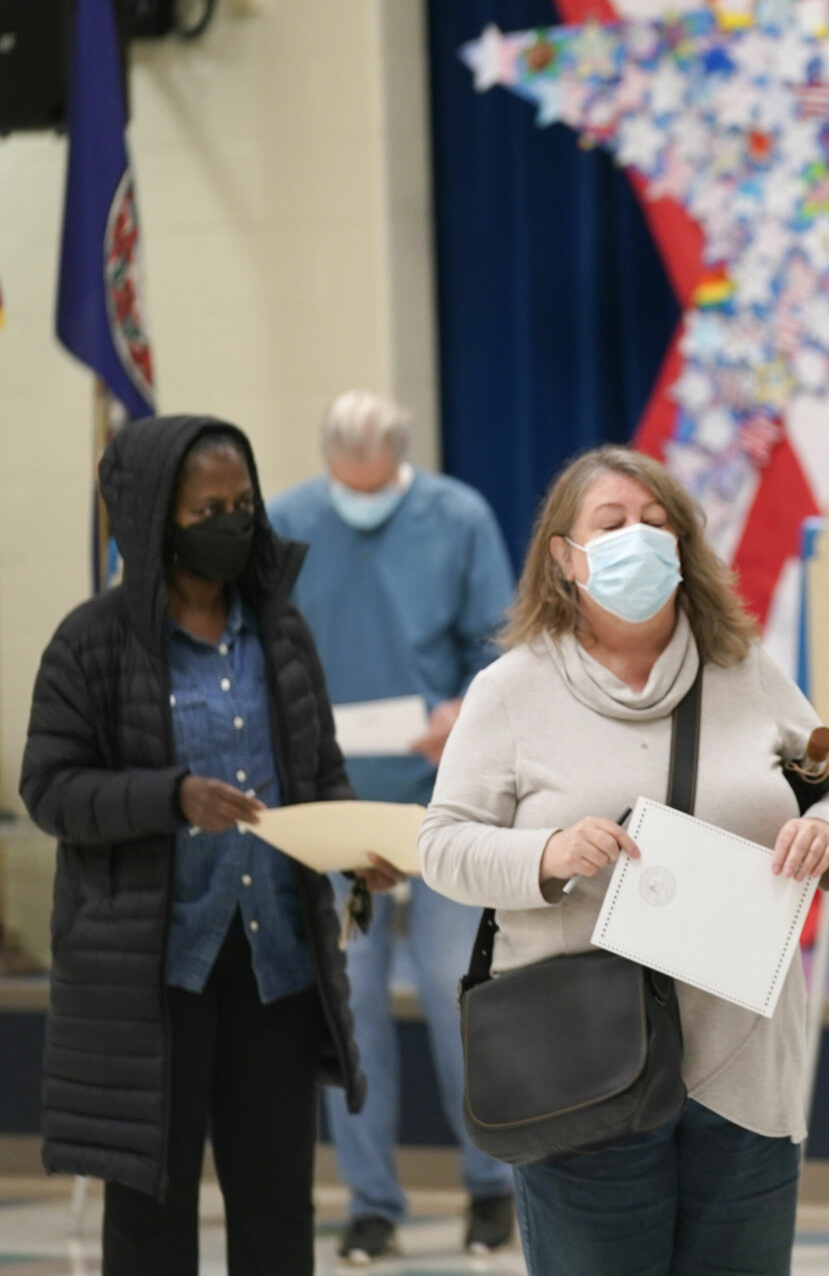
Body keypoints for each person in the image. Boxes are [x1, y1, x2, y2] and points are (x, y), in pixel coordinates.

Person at [418, 444, 829, 1276]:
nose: (639, 539)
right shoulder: (510, 690)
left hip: (743, 1062)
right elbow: (440, 845)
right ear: (564, 555)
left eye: (658, 524)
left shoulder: (744, 667)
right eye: (613, 523)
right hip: (585, 1064)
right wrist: (546, 852)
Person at [20, 415, 399, 1275]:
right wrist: (172, 796)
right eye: (208, 507)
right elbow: (49, 789)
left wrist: (353, 845)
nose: (234, 521)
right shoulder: (93, 642)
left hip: (276, 967)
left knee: (276, 1205)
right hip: (152, 976)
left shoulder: (283, 632)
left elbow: (319, 770)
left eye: (245, 502)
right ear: (157, 518)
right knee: (153, 1214)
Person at [268, 391, 517, 1263]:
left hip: (442, 806)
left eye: (376, 484)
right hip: (336, 809)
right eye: (348, 483)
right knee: (350, 1013)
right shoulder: (288, 520)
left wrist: (464, 708)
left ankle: (492, 1188)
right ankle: (371, 1201)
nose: (360, 499)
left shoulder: (457, 517)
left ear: (402, 463)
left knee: (463, 999)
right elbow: (264, 647)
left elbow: (503, 645)